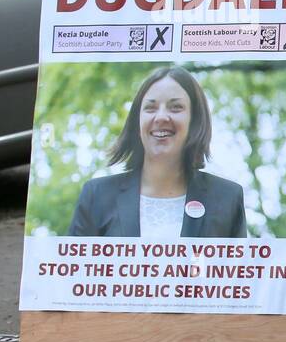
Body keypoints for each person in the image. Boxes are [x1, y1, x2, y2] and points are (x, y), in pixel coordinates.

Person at [68, 66, 247, 239]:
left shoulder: (227, 199)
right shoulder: (97, 196)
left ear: (195, 120)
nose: (161, 117)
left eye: (175, 107)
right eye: (150, 108)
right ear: (137, 122)